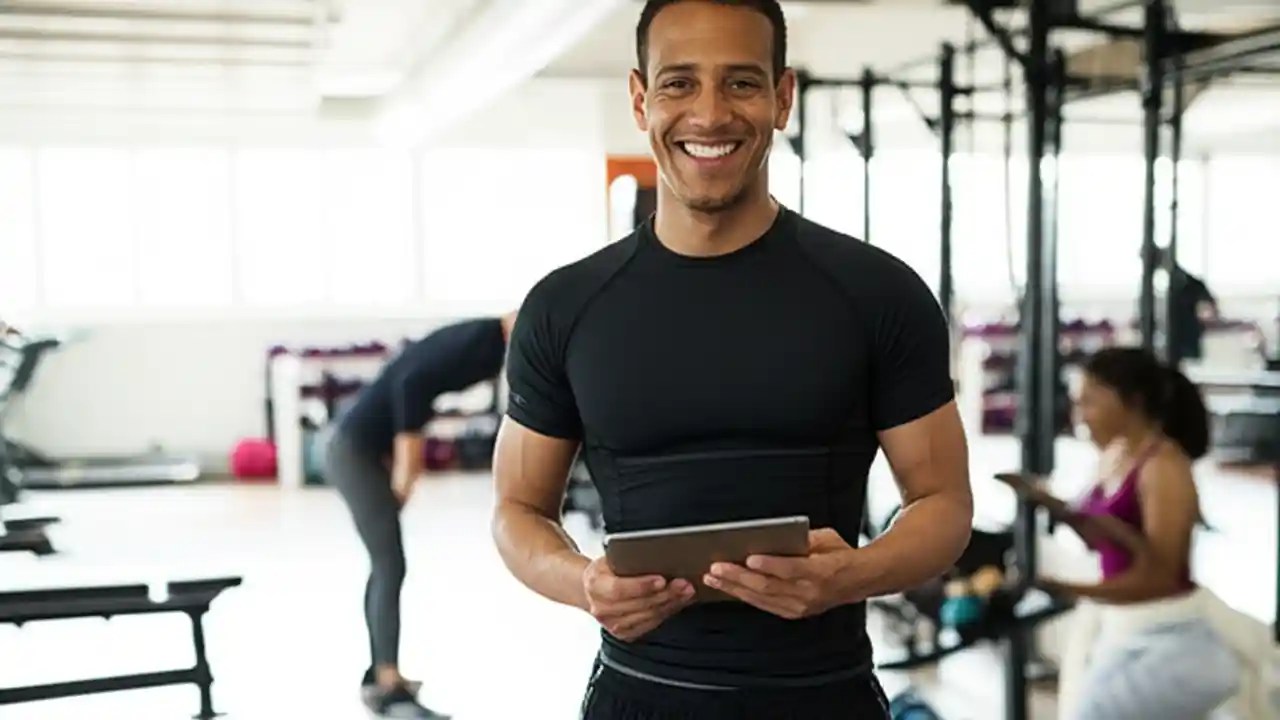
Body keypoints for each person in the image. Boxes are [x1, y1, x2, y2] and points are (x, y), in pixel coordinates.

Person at [490, 1, 973, 718]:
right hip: (640, 699)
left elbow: (944, 504)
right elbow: (518, 509)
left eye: (741, 83)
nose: (710, 115)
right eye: (680, 83)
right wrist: (583, 580)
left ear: (783, 98)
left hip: (824, 698)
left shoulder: (878, 293)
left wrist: (853, 575)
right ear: (639, 98)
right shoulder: (566, 307)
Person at [997, 347, 1242, 720]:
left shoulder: (1164, 467)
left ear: (1133, 401)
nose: (1079, 416)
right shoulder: (1114, 454)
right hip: (1120, 625)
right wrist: (1047, 501)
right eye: (1076, 403)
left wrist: (1068, 588)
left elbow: (1160, 577)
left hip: (1164, 631)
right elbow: (1106, 539)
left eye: (1090, 403)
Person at [324, 312, 516, 719]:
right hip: (353, 454)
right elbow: (411, 385)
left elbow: (411, 382)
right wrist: (405, 476)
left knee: (385, 565)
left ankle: (380, 671)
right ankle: (387, 682)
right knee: (389, 564)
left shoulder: (481, 340)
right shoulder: (481, 344)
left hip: (364, 452)